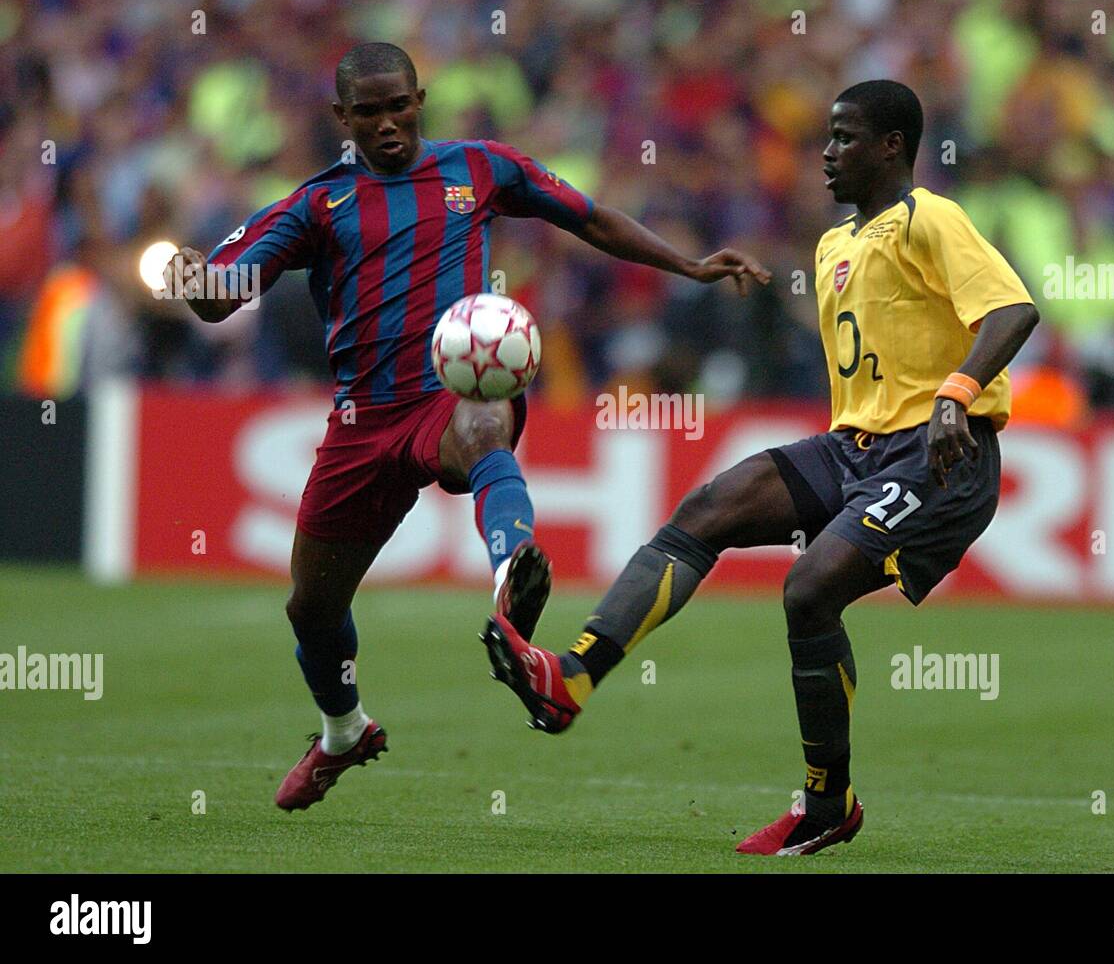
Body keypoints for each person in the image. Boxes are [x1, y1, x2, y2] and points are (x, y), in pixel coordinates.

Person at [164, 42, 770, 812]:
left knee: (485, 422)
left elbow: (588, 217)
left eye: (400, 105)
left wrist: (685, 265)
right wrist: (189, 277)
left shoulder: (479, 168)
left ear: (420, 98)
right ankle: (344, 731)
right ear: (341, 117)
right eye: (370, 112)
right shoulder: (316, 205)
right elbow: (222, 296)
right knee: (311, 609)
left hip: (448, 393)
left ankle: (511, 570)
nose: (388, 123)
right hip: (363, 421)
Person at [483, 80, 1040, 856]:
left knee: (809, 590)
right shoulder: (834, 245)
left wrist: (955, 394)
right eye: (826, 136)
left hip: (940, 454)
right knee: (706, 509)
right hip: (858, 446)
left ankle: (825, 804)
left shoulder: (931, 218)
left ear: (891, 146)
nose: (826, 152)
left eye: (845, 137)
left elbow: (1012, 309)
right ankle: (570, 677)